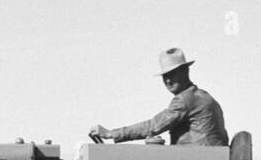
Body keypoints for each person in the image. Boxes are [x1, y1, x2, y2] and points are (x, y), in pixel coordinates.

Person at [90, 48, 229, 148]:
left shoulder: (185, 100)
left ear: (185, 71)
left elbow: (153, 126)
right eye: (165, 76)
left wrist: (111, 133)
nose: (168, 81)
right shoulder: (203, 96)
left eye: (172, 74)